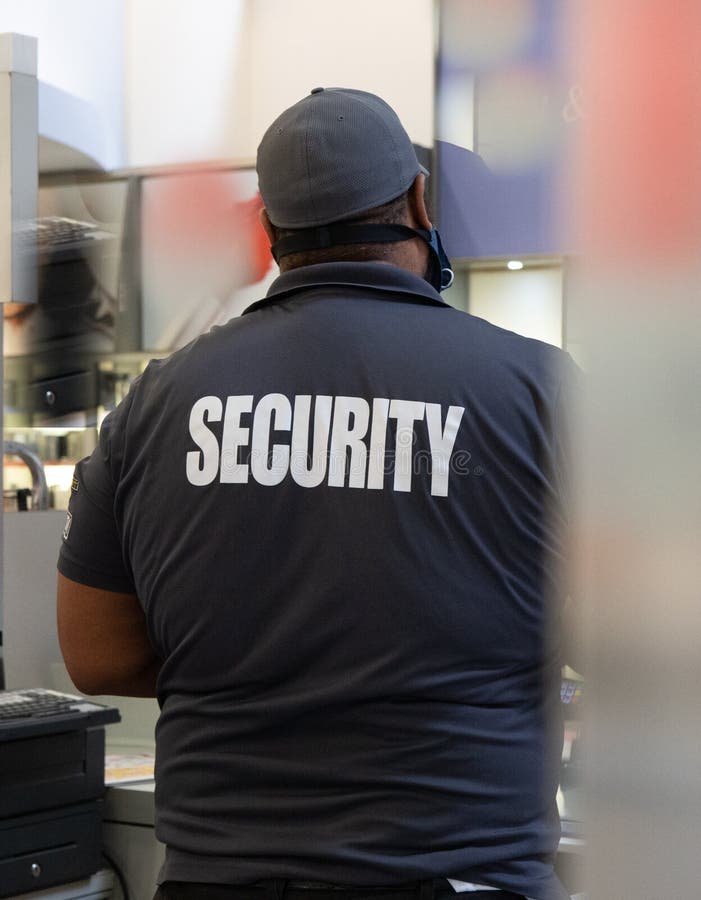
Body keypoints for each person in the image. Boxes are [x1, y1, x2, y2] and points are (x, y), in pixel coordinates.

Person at [57, 88, 576, 900]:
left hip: (221, 876)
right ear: (416, 199)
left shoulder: (157, 402)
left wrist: (278, 666)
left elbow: (97, 656)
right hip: (458, 873)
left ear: (269, 230)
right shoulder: (539, 389)